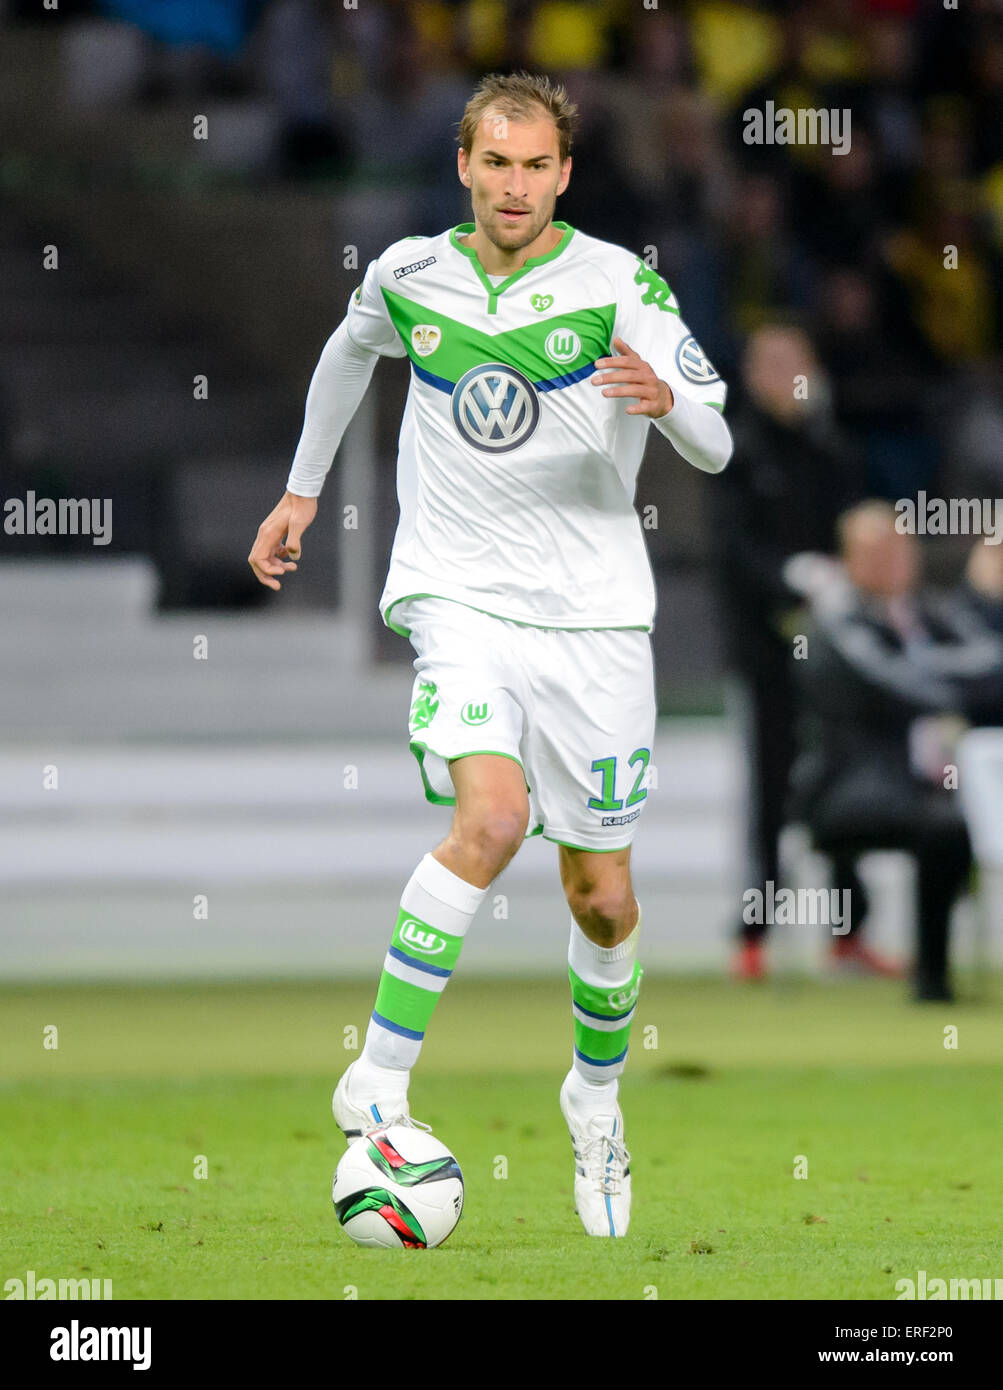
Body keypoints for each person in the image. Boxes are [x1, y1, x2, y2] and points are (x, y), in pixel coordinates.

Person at [248, 71, 732, 1237]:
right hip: (458, 598)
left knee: (602, 897)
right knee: (491, 820)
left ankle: (596, 1101)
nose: (513, 185)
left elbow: (715, 441)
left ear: (563, 173)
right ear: (464, 166)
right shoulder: (409, 275)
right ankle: (378, 1076)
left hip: (596, 617)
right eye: (494, 163)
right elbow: (343, 356)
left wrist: (664, 398)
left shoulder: (621, 283)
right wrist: (300, 494)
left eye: (535, 165)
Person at [708, 324, 873, 980]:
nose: (785, 375)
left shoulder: (830, 448)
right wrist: (790, 578)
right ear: (751, 373)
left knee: (844, 786)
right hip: (764, 657)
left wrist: (843, 581)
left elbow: (859, 529)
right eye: (771, 363)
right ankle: (752, 936)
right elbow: (733, 552)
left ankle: (848, 934)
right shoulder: (736, 450)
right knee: (767, 796)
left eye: (794, 361)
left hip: (834, 657)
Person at [788, 502, 1003, 1002]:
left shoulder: (930, 611)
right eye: (876, 552)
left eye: (899, 549)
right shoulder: (834, 619)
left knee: (954, 818)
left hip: (920, 784)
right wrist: (955, 687)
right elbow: (892, 682)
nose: (892, 562)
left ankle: (933, 970)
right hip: (847, 786)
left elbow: (991, 654)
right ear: (850, 560)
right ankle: (932, 979)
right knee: (946, 826)